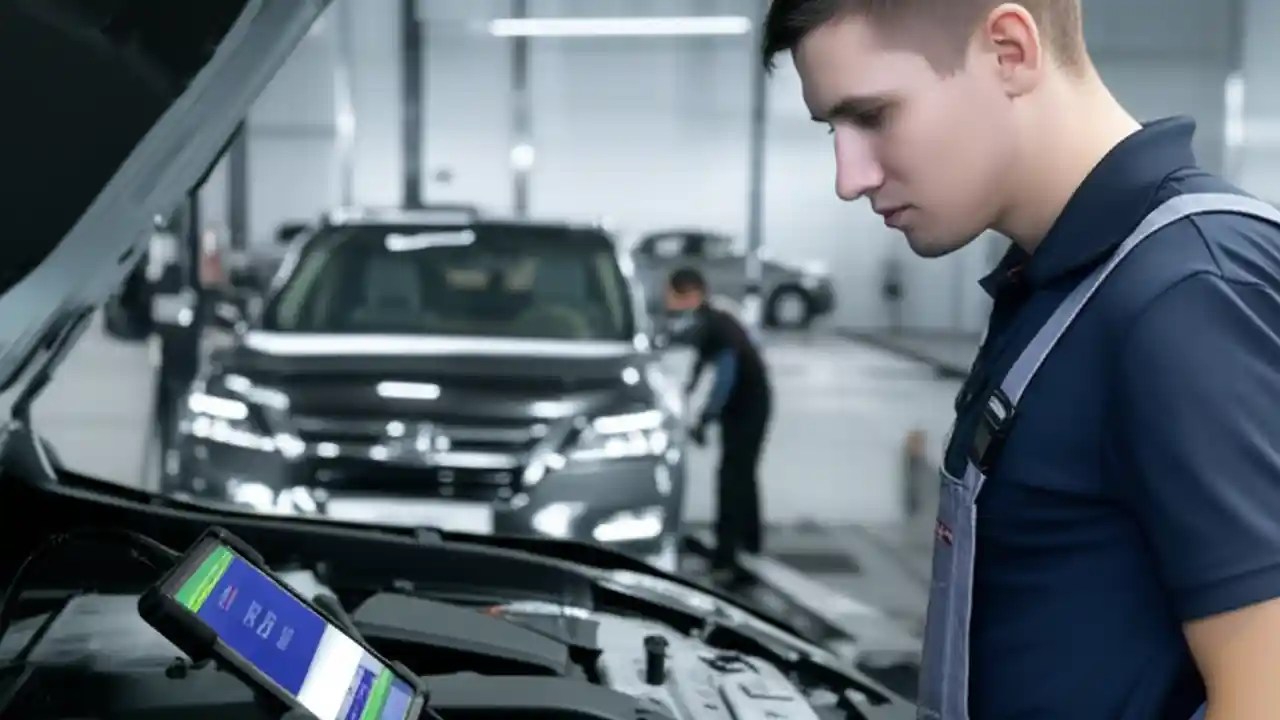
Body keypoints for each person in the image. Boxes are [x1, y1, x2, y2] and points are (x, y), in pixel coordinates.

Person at [763, 1, 1280, 718]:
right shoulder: (1066, 285)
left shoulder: (1183, 296)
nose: (849, 177)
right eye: (833, 129)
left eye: (873, 116)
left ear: (1009, 50)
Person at [665, 268, 772, 582]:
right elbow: (702, 361)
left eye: (671, 293)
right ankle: (751, 543)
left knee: (731, 477)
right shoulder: (710, 320)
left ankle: (726, 559)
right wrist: (687, 390)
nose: (666, 300)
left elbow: (725, 376)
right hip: (747, 404)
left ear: (691, 295)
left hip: (748, 407)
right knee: (743, 472)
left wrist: (705, 418)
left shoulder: (717, 324)